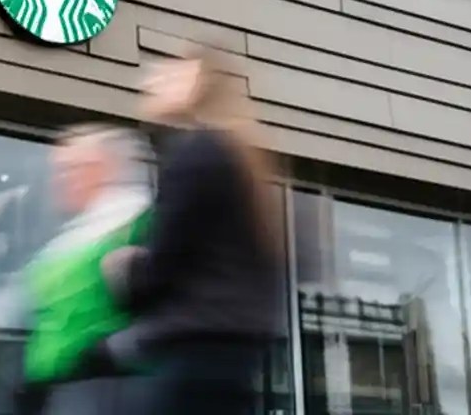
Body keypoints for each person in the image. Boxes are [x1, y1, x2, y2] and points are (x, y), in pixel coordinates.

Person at [99, 44, 285, 415]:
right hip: (234, 353)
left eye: (171, 72)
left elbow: (164, 265)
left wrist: (124, 268)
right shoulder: (243, 160)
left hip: (194, 352)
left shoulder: (197, 152)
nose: (153, 79)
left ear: (198, 85)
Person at [16, 124, 154, 415]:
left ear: (103, 168)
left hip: (110, 391)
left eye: (71, 168)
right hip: (58, 392)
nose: (61, 180)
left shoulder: (136, 224)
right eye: (58, 170)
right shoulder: (63, 242)